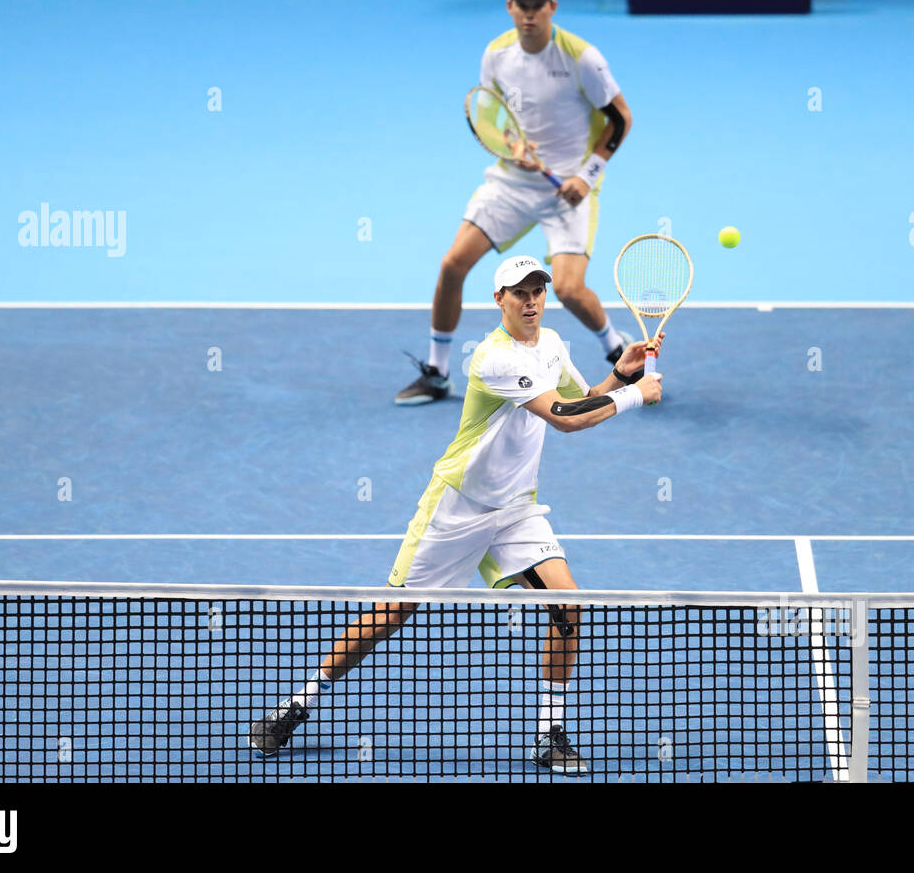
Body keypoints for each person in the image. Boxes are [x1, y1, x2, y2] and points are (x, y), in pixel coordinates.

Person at [252, 255, 663, 773]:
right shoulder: (494, 358)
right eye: (519, 292)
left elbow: (581, 401)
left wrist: (618, 375)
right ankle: (296, 706)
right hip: (456, 508)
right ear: (499, 300)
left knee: (568, 605)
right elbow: (562, 419)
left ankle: (550, 734)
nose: (531, 299)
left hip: (515, 510)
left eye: (538, 289)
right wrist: (634, 395)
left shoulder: (552, 344)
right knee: (391, 615)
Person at [396, 0, 635, 405]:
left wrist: (587, 177)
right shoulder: (496, 55)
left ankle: (617, 350)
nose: (529, 14)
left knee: (568, 290)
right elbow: (490, 115)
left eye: (537, 5)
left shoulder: (582, 58)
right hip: (510, 183)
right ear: (510, 8)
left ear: (552, 9)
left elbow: (621, 118)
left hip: (568, 188)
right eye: (521, 6)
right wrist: (511, 147)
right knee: (453, 265)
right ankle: (437, 371)